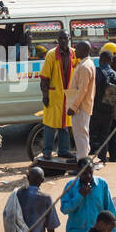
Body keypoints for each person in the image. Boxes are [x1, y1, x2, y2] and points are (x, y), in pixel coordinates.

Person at [38, 29, 77, 160]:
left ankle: (64, 150)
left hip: (68, 95)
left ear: (69, 39)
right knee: (50, 125)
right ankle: (47, 151)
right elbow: (44, 78)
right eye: (61, 39)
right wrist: (45, 95)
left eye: (65, 38)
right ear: (57, 40)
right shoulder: (51, 55)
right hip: (54, 95)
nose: (63, 41)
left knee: (65, 125)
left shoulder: (74, 54)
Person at [58, 158, 116, 232]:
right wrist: (80, 196)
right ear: (78, 171)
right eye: (84, 173)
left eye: (90, 172)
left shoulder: (102, 184)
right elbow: (64, 209)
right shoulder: (70, 185)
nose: (88, 176)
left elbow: (110, 209)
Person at [4, 166, 60, 232]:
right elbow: (50, 224)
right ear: (42, 180)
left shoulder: (18, 194)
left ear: (27, 177)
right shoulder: (46, 198)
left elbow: (8, 215)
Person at [67, 40, 96, 160]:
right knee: (82, 135)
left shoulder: (85, 66)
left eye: (77, 49)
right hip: (83, 105)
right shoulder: (86, 63)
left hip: (81, 106)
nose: (75, 51)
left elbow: (82, 90)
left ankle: (82, 163)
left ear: (84, 51)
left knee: (81, 136)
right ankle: (82, 160)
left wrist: (73, 107)